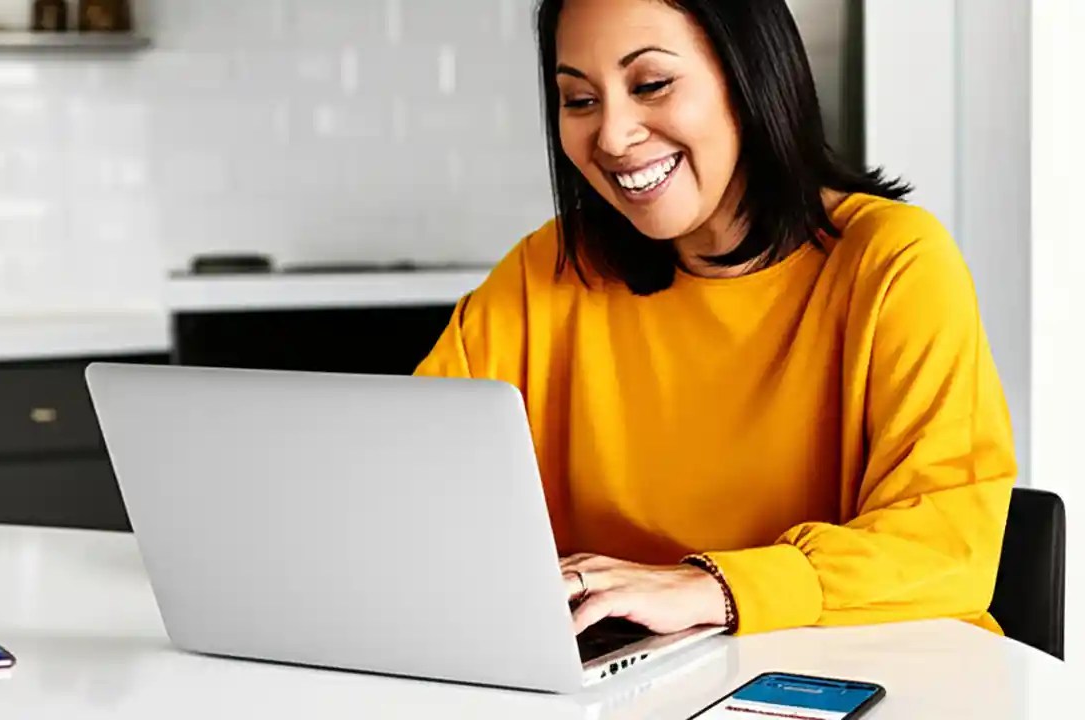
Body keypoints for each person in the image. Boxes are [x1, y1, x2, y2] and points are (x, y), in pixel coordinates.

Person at [414, 0, 1017, 638]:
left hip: (866, 676)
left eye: (650, 85)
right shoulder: (549, 270)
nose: (612, 137)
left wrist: (714, 589)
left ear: (749, 76)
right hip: (627, 689)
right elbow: (409, 472)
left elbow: (950, 549)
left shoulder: (894, 262)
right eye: (579, 100)